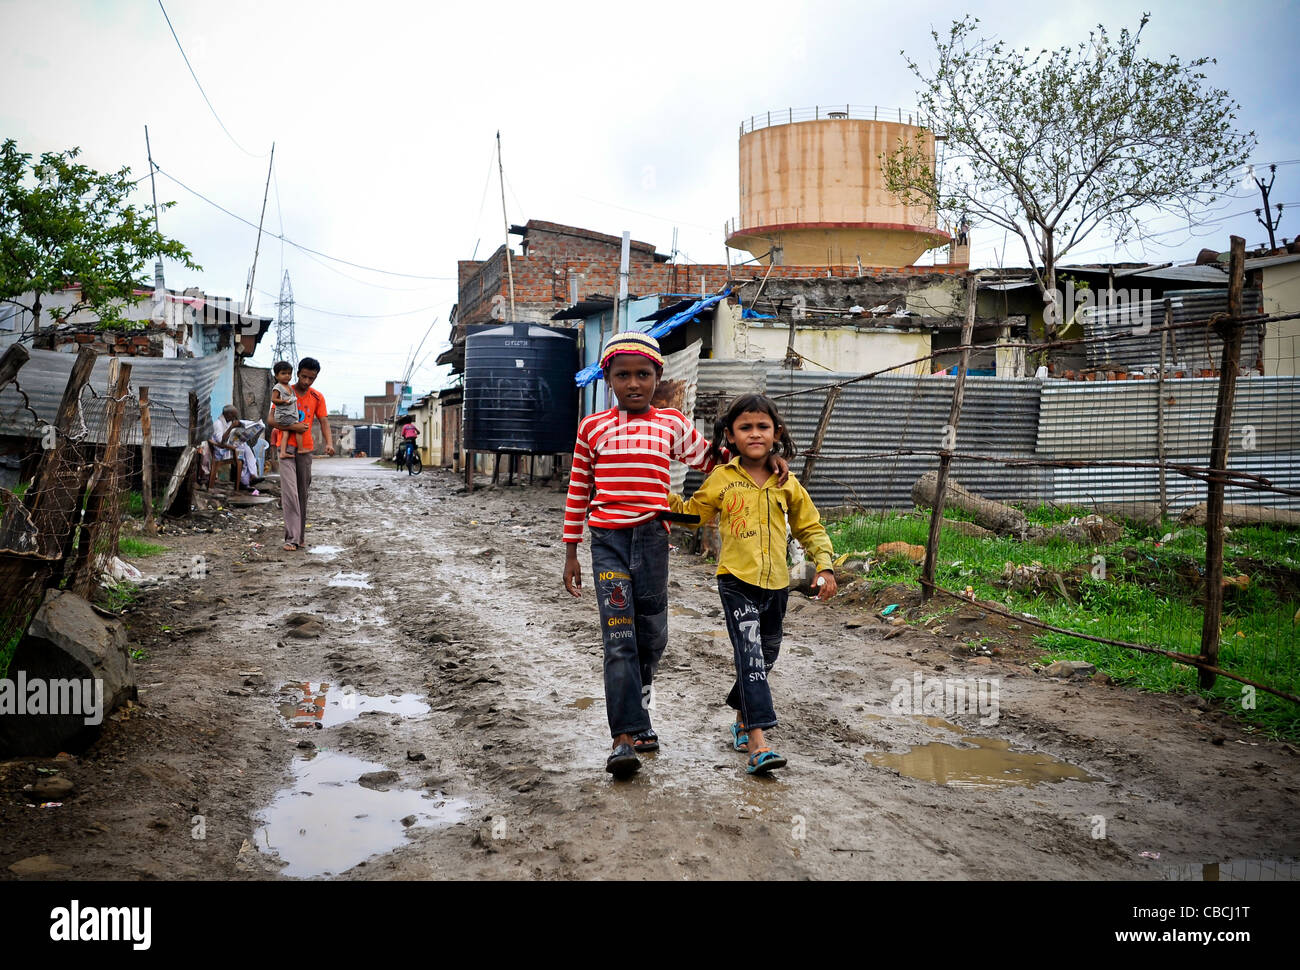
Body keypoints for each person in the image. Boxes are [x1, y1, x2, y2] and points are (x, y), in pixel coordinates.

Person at [562, 331, 787, 780]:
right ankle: (623, 737)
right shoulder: (592, 428)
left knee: (652, 637)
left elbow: (717, 460)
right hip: (607, 541)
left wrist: (771, 456)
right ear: (607, 378)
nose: (633, 384)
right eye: (622, 375)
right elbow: (578, 488)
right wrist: (571, 550)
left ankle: (641, 717)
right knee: (618, 638)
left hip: (652, 541)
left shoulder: (671, 424)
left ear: (657, 377)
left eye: (642, 374)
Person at [670, 393, 837, 775]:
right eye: (746, 427)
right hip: (735, 582)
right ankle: (758, 742)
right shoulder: (722, 479)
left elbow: (809, 526)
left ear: (776, 432)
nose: (755, 434)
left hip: (776, 586)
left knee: (766, 656)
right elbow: (694, 514)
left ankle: (741, 713)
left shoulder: (786, 481)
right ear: (730, 435)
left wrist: (825, 567)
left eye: (763, 427)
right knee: (750, 655)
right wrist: (655, 496)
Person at [268, 357, 333, 552]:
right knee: (290, 493)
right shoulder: (285, 390)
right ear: (297, 373)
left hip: (306, 450)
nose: (306, 381)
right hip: (286, 448)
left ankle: (300, 537)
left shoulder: (317, 397)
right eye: (303, 376)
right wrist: (292, 426)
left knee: (302, 494)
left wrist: (329, 443)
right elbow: (271, 420)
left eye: (311, 378)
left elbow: (324, 422)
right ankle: (291, 539)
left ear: (315, 378)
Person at [210, 405, 261, 489]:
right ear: (228, 414)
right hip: (221, 451)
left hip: (230, 448)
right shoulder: (218, 424)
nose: (234, 418)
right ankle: (246, 481)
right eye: (233, 415)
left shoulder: (228, 422)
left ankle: (252, 475)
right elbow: (221, 442)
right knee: (242, 451)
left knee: (246, 448)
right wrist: (231, 428)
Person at [270, 361, 302, 464]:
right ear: (276, 376)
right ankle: (301, 449)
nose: (287, 376)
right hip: (283, 415)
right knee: (299, 428)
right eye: (283, 373)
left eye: (289, 373)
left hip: (289, 414)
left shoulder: (289, 387)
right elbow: (273, 399)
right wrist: (284, 401)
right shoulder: (278, 387)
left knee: (285, 433)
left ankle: (283, 452)